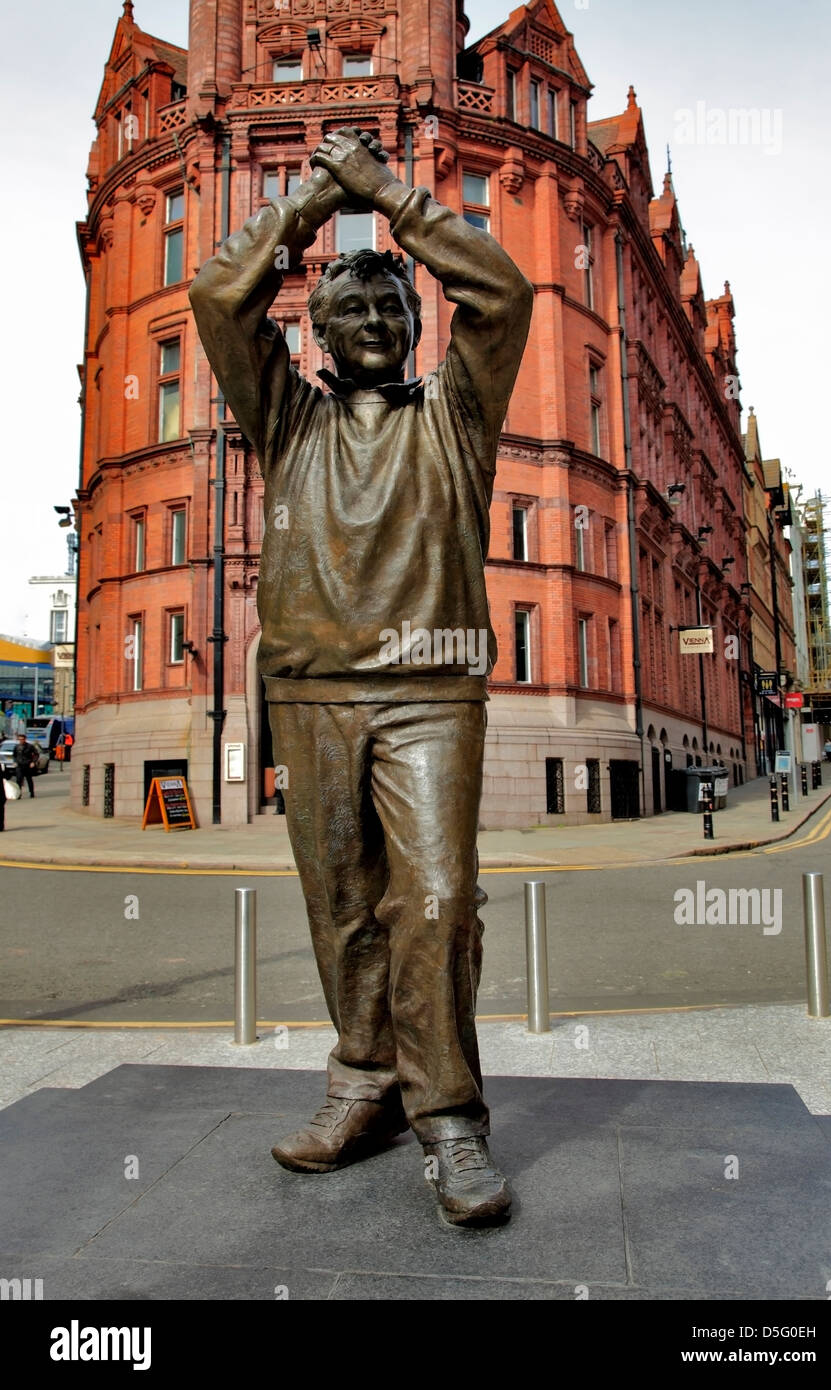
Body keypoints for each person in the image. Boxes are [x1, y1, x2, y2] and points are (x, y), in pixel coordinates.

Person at [190, 126, 533, 1227]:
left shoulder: (456, 413)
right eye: (353, 312)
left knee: (435, 900)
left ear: (416, 326)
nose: (377, 322)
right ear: (319, 336)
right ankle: (364, 1084)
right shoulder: (287, 418)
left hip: (431, 691)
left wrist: (387, 194)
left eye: (393, 308)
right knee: (342, 909)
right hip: (312, 692)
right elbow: (216, 295)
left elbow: (503, 292)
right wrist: (308, 203)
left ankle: (450, 1118)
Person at [13, 734, 39, 798]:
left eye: (22, 739)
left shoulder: (30, 746)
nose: (21, 741)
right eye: (20, 739)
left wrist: (33, 762)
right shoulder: (16, 747)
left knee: (29, 779)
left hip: (27, 765)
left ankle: (31, 793)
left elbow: (36, 754)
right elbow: (14, 755)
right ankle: (19, 794)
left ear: (25, 739)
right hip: (19, 765)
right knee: (19, 779)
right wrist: (15, 762)